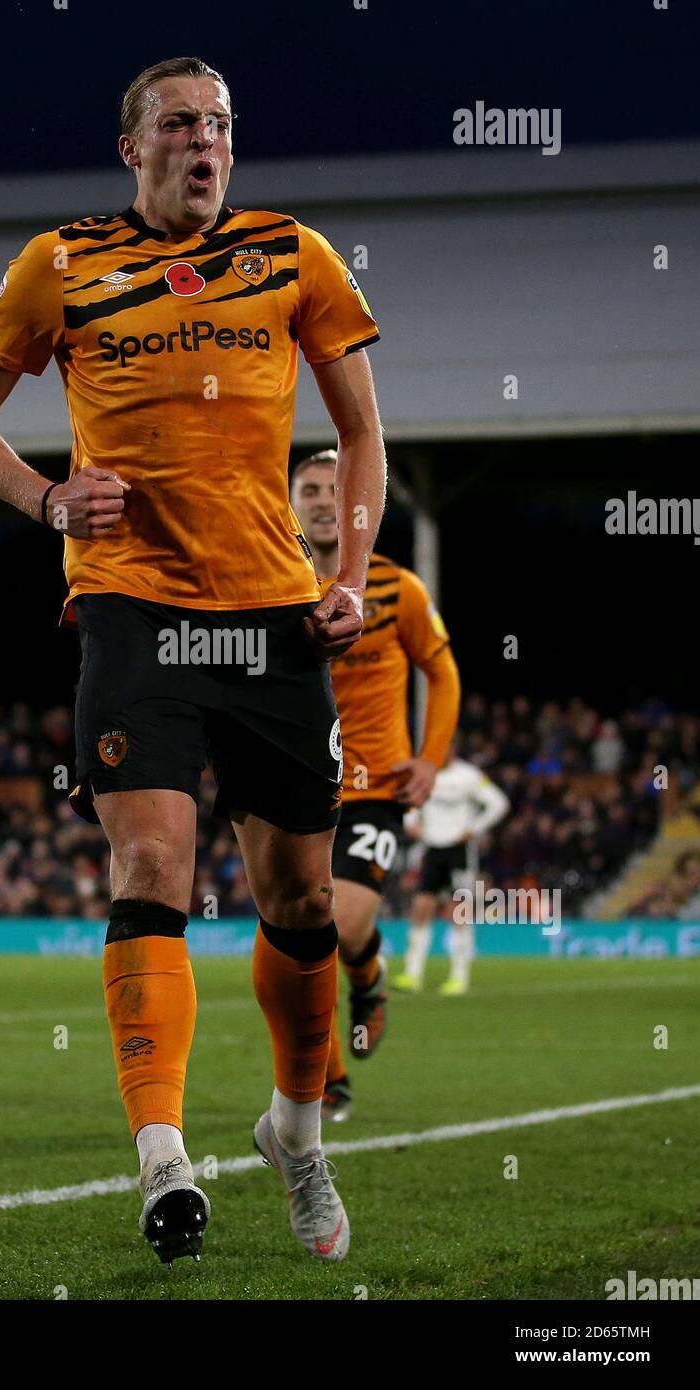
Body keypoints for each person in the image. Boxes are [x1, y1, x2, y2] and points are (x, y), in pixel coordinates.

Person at [0, 56, 385, 1265]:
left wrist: (347, 581)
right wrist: (44, 502)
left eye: (223, 124)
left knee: (298, 903)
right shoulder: (61, 263)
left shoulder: (295, 253)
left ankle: (295, 1131)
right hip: (133, 611)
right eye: (182, 123)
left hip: (277, 621)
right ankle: (163, 1161)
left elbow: (360, 433)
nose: (207, 141)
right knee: (152, 859)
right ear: (131, 146)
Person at [291, 451, 460, 1121]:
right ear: (290, 502)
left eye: (337, 487)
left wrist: (430, 759)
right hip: (292, 787)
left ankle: (362, 991)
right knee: (294, 935)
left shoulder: (397, 588)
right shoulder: (272, 585)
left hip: (369, 787)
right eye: (309, 488)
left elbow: (440, 672)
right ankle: (327, 1074)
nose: (324, 498)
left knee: (336, 921)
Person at [396, 746, 510, 995]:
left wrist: (475, 828)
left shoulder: (468, 776)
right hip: (432, 849)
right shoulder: (424, 775)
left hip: (459, 850)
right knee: (421, 908)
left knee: (459, 911)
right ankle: (412, 974)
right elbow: (411, 805)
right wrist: (411, 823)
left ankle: (459, 977)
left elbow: (498, 803)